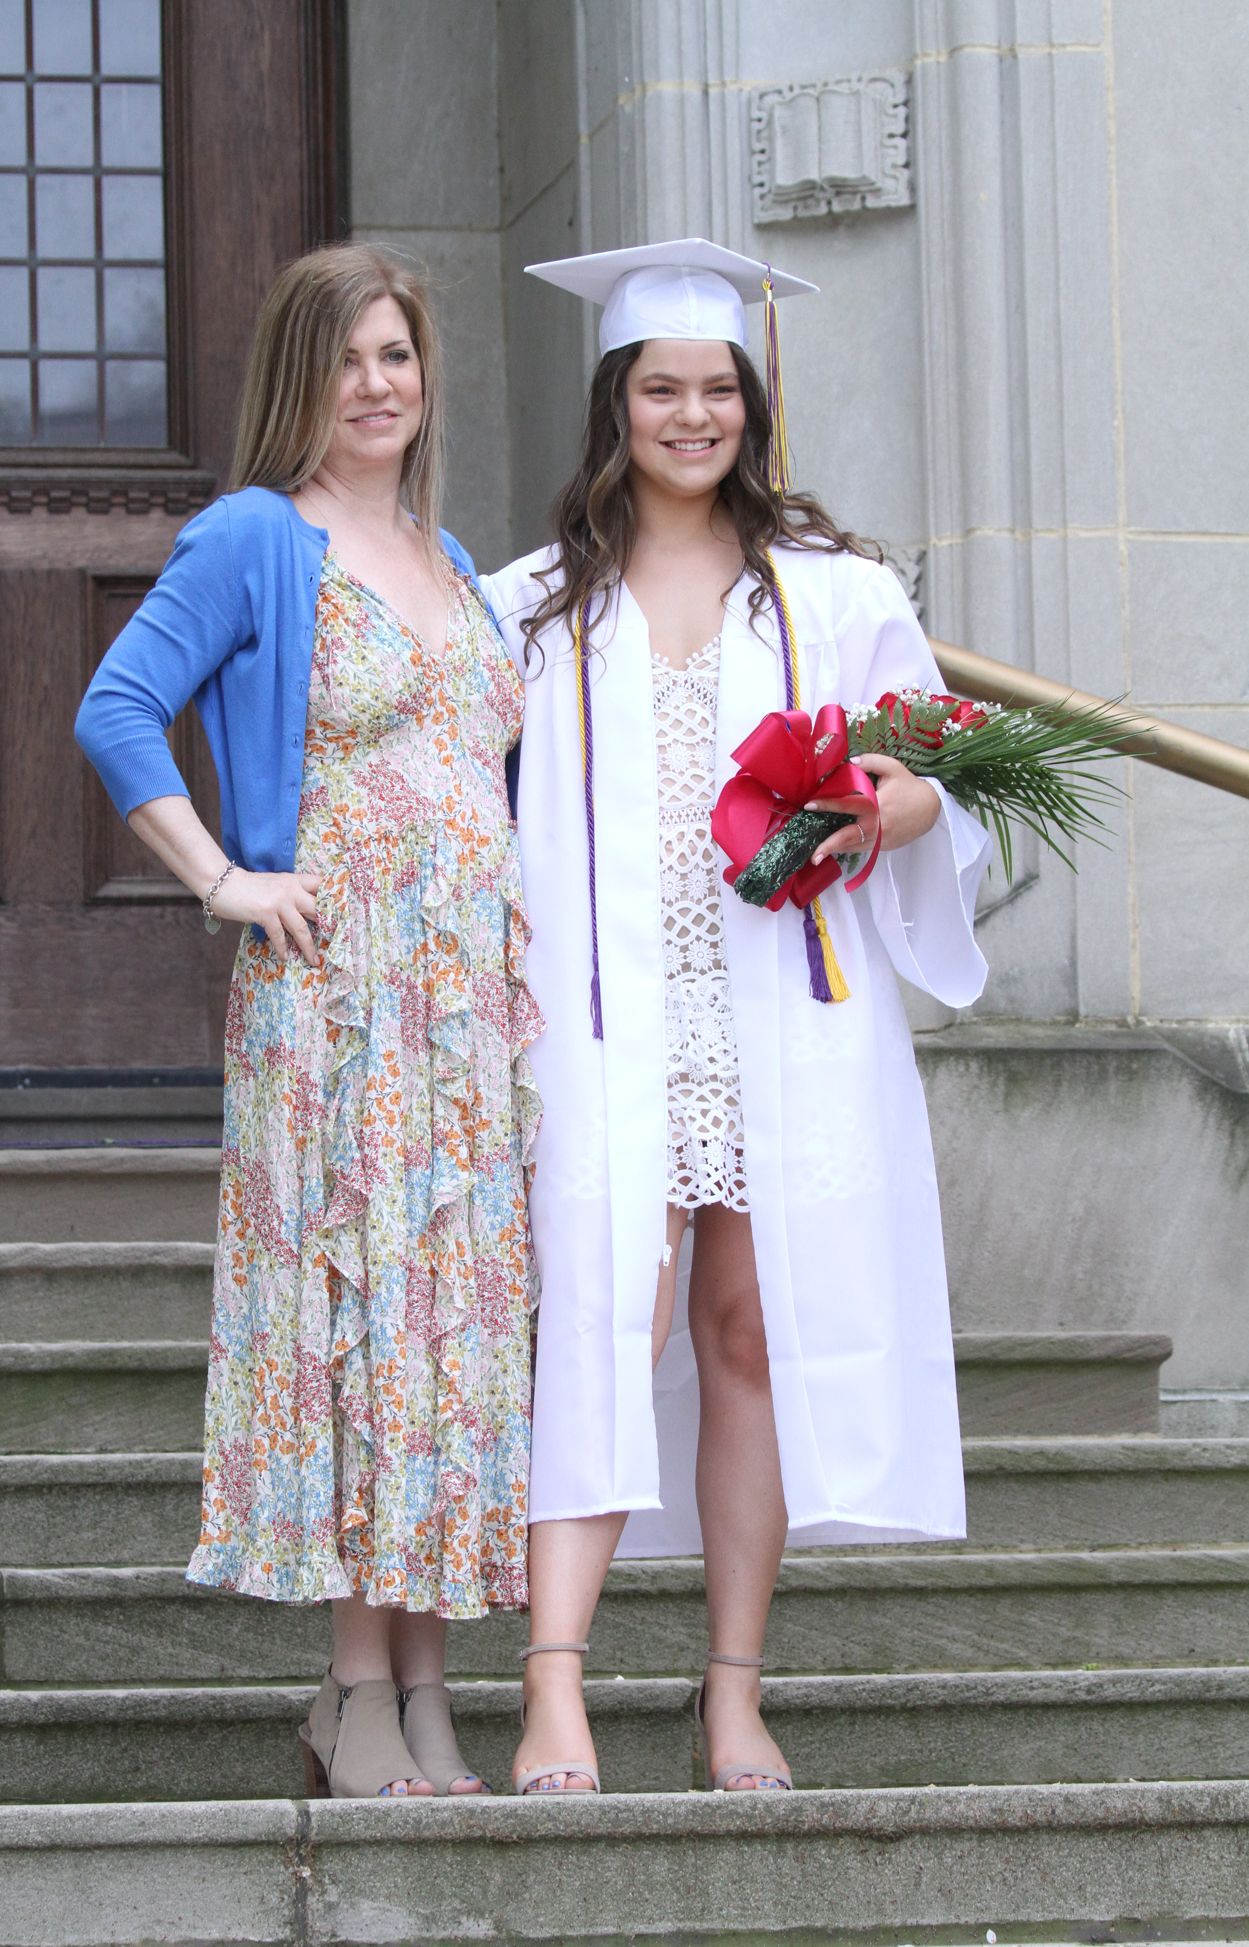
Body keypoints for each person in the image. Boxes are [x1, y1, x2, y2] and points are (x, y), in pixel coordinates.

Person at [480, 239, 992, 1796]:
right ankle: (553, 1692)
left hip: (779, 1010)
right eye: (659, 389)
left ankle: (729, 1696)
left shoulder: (838, 596)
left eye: (715, 390)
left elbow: (935, 778)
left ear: (751, 407)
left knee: (747, 1331)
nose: (688, 416)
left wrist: (886, 819)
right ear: (614, 404)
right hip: (606, 1025)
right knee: (600, 1328)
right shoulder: (530, 608)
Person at [76, 244, 542, 1799]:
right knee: (363, 1335)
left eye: (397, 357)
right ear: (300, 377)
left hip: (464, 1021)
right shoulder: (255, 539)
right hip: (340, 1003)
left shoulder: (454, 556)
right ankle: (354, 1690)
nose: (376, 386)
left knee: (445, 1340)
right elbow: (115, 707)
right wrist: (221, 876)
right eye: (346, 359)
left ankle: (422, 1686)